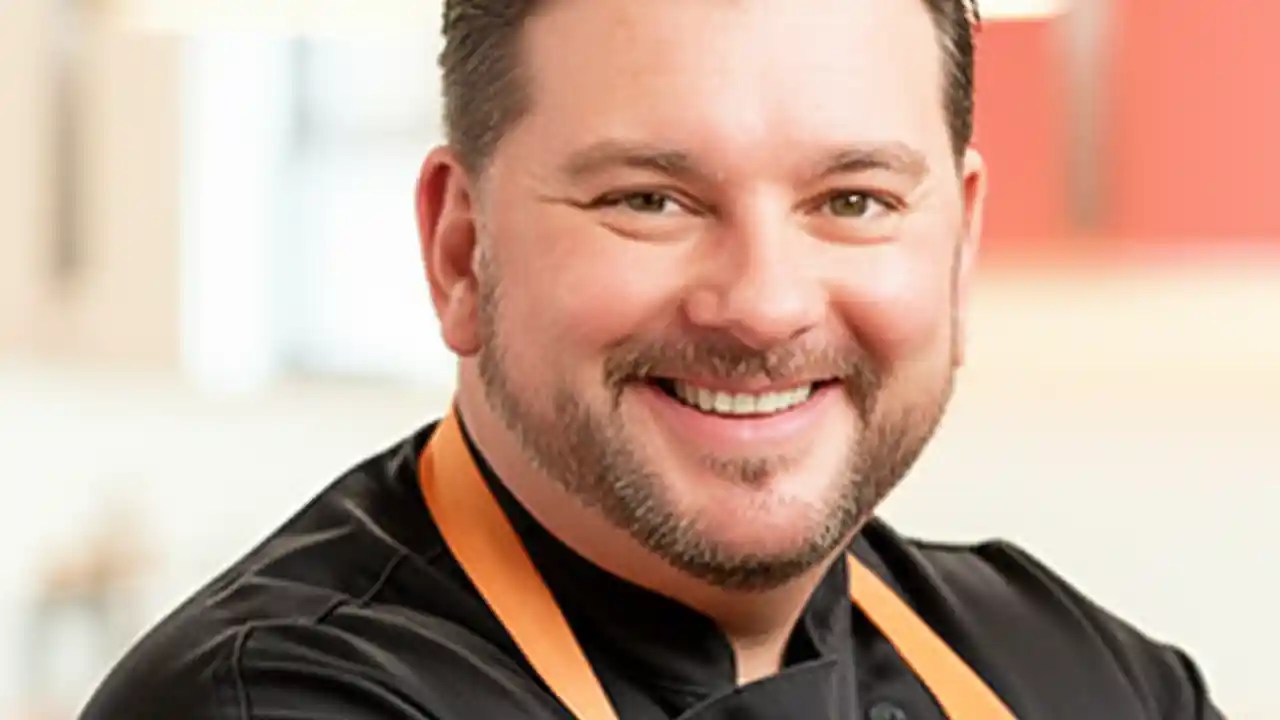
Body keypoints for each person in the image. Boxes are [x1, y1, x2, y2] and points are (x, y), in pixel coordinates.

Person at [82, 0, 1226, 718]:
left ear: (959, 248)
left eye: (853, 200)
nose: (763, 306)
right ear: (460, 251)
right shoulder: (275, 704)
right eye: (650, 200)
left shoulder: (1085, 677)